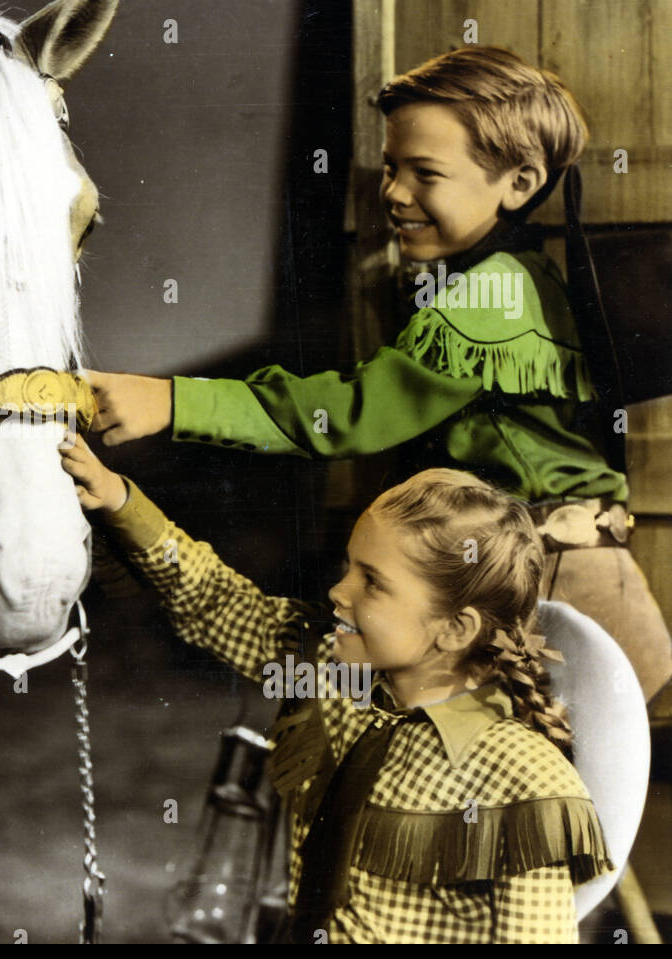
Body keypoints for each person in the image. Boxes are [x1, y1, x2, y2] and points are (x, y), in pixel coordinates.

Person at [85, 46, 672, 714]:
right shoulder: (513, 280)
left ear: (519, 182)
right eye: (391, 168)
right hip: (542, 574)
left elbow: (353, 413)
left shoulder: (492, 298)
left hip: (554, 590)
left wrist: (170, 400)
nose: (393, 192)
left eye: (426, 173)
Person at [61, 436, 612, 942]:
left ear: (455, 629)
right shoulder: (333, 674)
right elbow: (219, 602)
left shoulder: (525, 783)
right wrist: (120, 503)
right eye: (349, 567)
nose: (338, 592)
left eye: (372, 582)